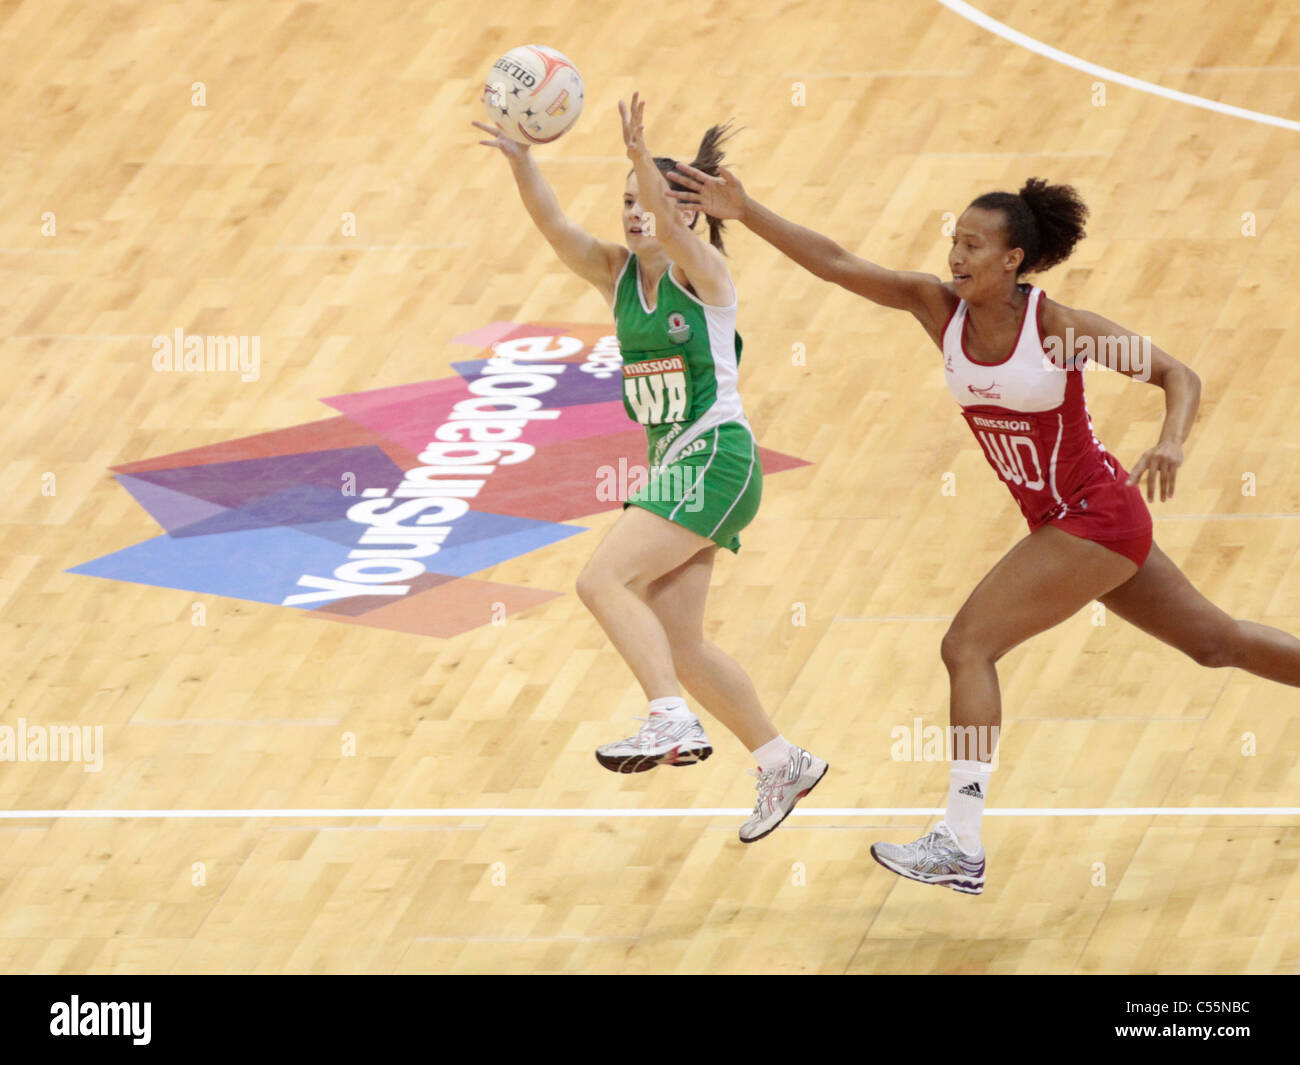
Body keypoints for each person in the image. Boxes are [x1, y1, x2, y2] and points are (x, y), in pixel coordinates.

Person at [667, 164, 1300, 890]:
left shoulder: (1059, 329)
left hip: (1095, 515)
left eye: (973, 245)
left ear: (1013, 261)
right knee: (1216, 643)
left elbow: (1177, 374)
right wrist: (747, 212)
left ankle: (959, 839)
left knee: (967, 645)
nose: (956, 257)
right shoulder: (938, 310)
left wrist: (1173, 439)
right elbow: (840, 264)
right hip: (1069, 523)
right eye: (954, 241)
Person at [473, 94, 827, 843]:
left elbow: (671, 225)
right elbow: (554, 227)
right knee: (682, 645)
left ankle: (665, 717)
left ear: (687, 213)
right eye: (627, 202)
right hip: (678, 466)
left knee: (599, 580)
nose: (636, 214)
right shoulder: (617, 275)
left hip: (715, 457)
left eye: (651, 204)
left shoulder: (705, 277)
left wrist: (642, 159)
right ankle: (779, 758)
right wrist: (523, 161)